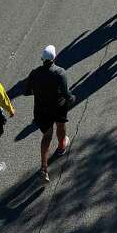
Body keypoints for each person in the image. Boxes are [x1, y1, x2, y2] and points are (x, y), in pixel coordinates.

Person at [24, 45, 72, 183]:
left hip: (41, 109)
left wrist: (39, 92)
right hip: (58, 107)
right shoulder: (60, 72)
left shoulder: (34, 73)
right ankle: (62, 146)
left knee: (47, 136)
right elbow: (65, 93)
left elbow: (27, 91)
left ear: (42, 59)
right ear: (54, 57)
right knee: (61, 127)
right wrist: (72, 98)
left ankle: (44, 167)